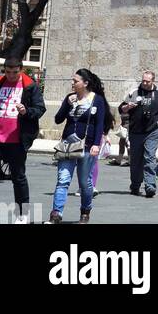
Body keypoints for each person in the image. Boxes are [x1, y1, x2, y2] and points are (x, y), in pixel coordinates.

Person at [49, 68, 112, 224]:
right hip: (68, 145)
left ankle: (85, 212)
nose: (72, 83)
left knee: (85, 183)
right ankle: (56, 214)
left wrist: (96, 144)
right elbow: (58, 119)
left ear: (85, 83)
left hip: (87, 145)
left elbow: (99, 124)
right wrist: (66, 105)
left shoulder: (96, 100)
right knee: (63, 180)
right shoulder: (70, 98)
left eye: (75, 81)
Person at [0, 55, 46, 223]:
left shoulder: (30, 86)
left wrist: (26, 111)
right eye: (8, 71)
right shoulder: (0, 82)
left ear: (21, 70)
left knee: (18, 177)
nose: (11, 75)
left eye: (15, 72)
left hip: (17, 140)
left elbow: (40, 109)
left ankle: (22, 214)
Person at [119, 70, 158, 197]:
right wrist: (127, 107)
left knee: (149, 157)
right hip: (135, 132)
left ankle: (150, 186)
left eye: (148, 81)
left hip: (153, 131)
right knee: (136, 160)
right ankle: (135, 185)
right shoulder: (133, 93)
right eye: (143, 81)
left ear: (153, 81)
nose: (145, 83)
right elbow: (121, 109)